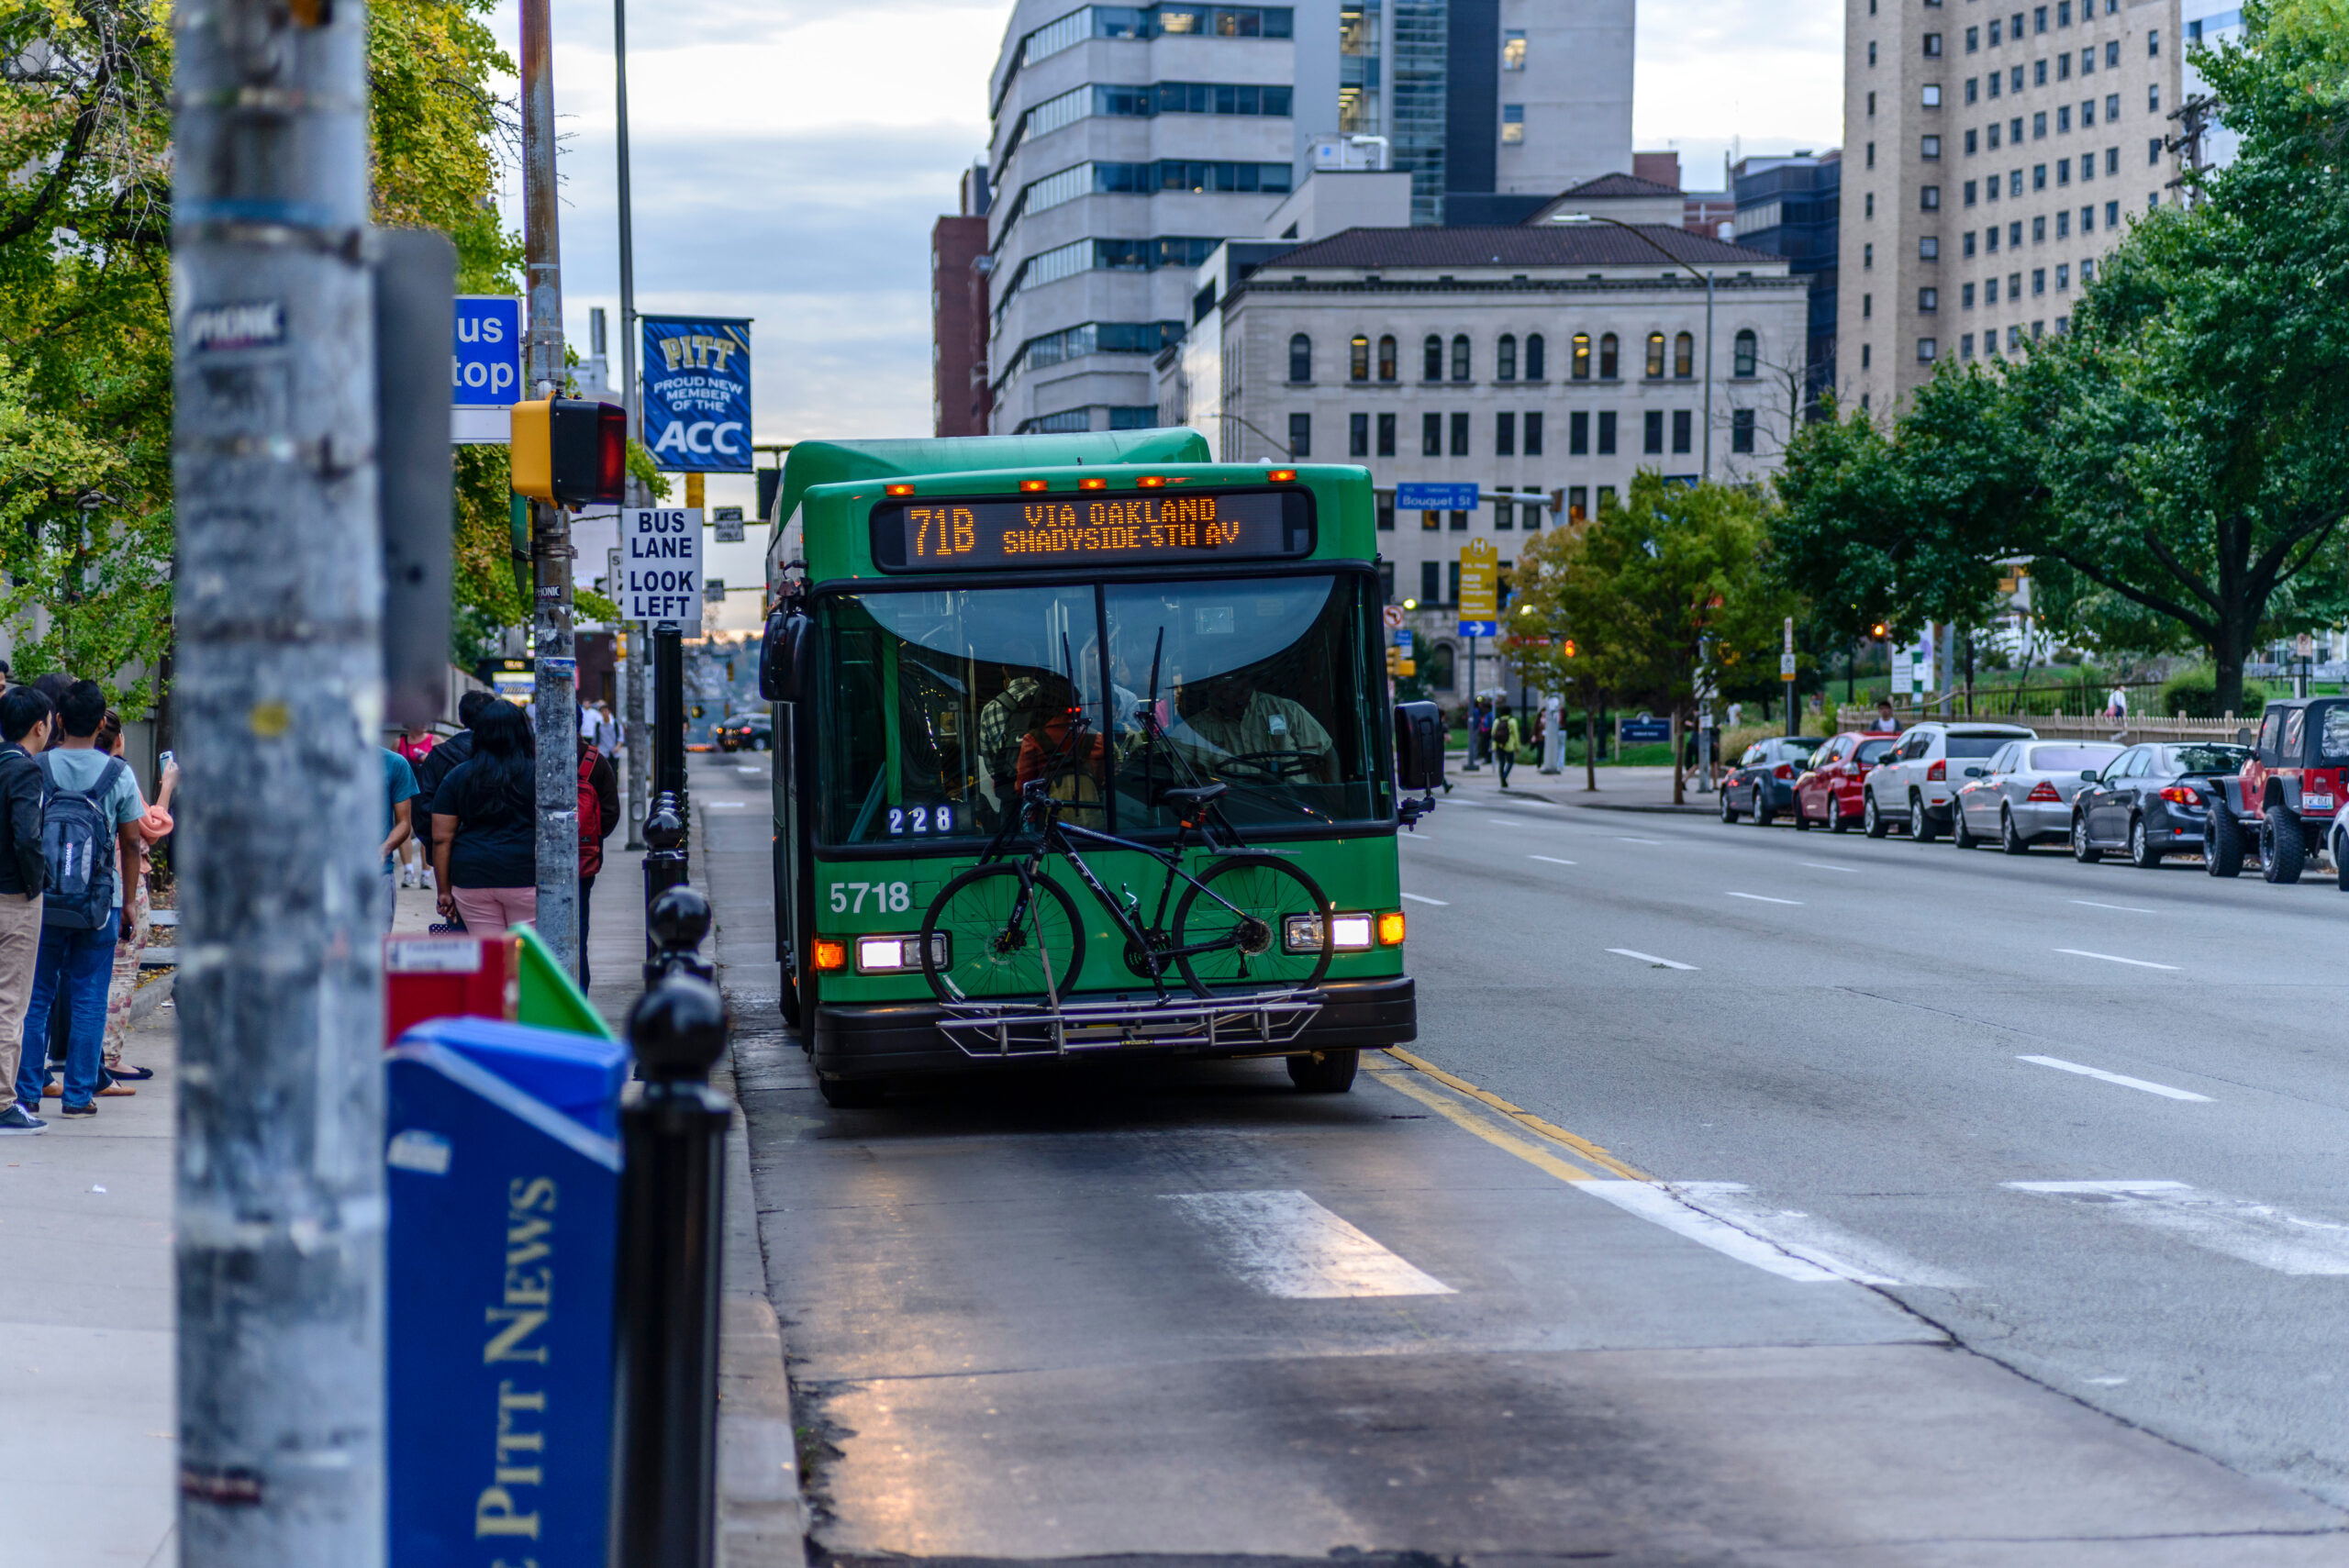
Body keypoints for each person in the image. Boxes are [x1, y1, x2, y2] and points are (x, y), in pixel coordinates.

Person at [17, 681, 142, 1119]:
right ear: (102, 721)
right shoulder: (118, 774)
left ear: (60, 721)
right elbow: (131, 843)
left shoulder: (40, 765)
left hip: (45, 900)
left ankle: (28, 1091)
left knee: (37, 997)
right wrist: (128, 903)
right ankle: (77, 1097)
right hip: (99, 904)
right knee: (90, 997)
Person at [96, 710, 173, 1089]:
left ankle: (85, 1061)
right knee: (123, 971)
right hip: (123, 882)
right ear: (118, 739)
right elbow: (148, 830)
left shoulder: (56, 765)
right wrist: (168, 785)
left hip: (78, 884)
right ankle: (110, 1058)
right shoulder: (118, 773)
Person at [430, 699, 538, 933]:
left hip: (472, 878)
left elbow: (441, 838)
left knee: (491, 958)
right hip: (526, 875)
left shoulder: (458, 776)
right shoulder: (539, 775)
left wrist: (444, 891)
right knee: (527, 958)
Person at [0, 687, 49, 1134]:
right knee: (11, 1002)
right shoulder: (25, 772)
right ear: (40, 726)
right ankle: (2, 1102)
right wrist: (38, 883)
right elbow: (28, 837)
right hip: (15, 897)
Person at [576, 732, 619, 985]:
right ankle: (579, 995)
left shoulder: (536, 755)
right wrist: (592, 838)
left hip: (536, 863)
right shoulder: (595, 761)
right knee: (579, 931)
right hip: (584, 860)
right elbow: (611, 811)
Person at [378, 742, 418, 932]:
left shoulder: (394, 763)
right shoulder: (319, 763)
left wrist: (384, 848)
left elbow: (404, 823)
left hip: (378, 873)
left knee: (376, 950)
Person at [393, 725, 436, 886]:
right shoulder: (399, 742)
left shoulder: (435, 741)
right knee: (404, 829)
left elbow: (442, 765)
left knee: (427, 831)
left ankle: (426, 874)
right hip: (406, 792)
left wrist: (428, 760)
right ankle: (408, 871)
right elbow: (393, 767)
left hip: (427, 791)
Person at [1493, 703, 1520, 788]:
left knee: (1502, 762)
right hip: (1509, 745)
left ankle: (1502, 779)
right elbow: (1516, 735)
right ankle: (1505, 776)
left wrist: (1494, 746)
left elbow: (1493, 734)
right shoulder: (1512, 721)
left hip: (1499, 745)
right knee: (1510, 762)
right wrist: (1517, 747)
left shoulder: (1497, 721)